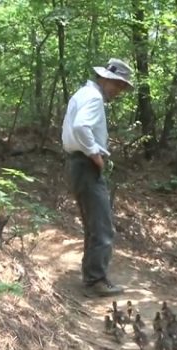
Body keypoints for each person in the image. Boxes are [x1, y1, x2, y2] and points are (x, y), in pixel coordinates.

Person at [62, 58, 133, 297]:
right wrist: (95, 154)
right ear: (106, 79)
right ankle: (96, 281)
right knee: (102, 227)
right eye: (118, 85)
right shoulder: (93, 98)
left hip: (77, 164)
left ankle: (92, 277)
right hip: (85, 165)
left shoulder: (82, 93)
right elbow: (82, 127)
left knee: (94, 225)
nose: (119, 91)